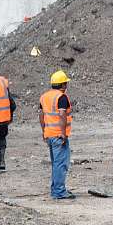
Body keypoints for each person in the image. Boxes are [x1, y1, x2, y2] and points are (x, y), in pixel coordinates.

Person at [39, 70, 74, 200]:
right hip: (59, 136)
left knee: (56, 163)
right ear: (63, 85)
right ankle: (59, 191)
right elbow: (62, 114)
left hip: (49, 134)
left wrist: (44, 131)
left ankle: (56, 189)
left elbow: (41, 115)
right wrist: (63, 133)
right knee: (60, 164)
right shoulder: (61, 97)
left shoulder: (44, 97)